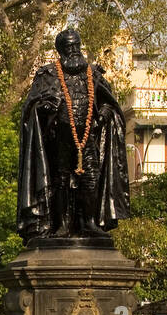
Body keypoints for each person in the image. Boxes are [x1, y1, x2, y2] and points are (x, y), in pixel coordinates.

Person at [17, 27, 130, 240]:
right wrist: (43, 108)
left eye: (77, 45)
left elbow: (108, 104)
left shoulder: (94, 74)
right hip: (59, 138)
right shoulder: (48, 74)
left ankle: (89, 223)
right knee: (59, 180)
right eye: (69, 47)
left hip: (88, 138)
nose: (74, 50)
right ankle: (60, 225)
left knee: (91, 179)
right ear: (61, 50)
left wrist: (103, 116)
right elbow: (31, 107)